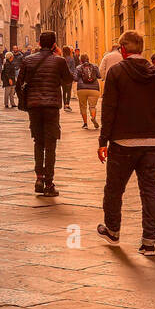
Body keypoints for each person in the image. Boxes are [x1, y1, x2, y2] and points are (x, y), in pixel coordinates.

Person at [97, 29, 155, 255]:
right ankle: (149, 241)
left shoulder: (116, 72)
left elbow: (108, 108)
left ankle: (113, 230)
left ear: (123, 50)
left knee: (114, 188)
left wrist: (103, 141)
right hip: (150, 142)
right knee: (150, 190)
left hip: (122, 142)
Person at [15, 31, 73, 197]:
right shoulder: (59, 61)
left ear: (39, 43)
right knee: (51, 144)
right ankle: (49, 183)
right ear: (54, 44)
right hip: (51, 106)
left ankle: (39, 179)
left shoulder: (27, 60)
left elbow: (19, 85)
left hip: (34, 107)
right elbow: (68, 80)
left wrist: (25, 103)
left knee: (38, 142)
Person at [75, 52, 101, 128]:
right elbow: (99, 76)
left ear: (81, 61)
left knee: (83, 107)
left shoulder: (78, 67)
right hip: (94, 89)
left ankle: (85, 124)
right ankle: (93, 118)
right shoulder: (95, 66)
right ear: (88, 59)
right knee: (92, 106)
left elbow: (76, 78)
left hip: (82, 89)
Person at [61, 45, 76, 112]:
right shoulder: (71, 59)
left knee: (64, 91)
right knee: (69, 91)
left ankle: (64, 105)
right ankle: (67, 104)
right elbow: (73, 69)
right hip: (69, 77)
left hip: (62, 77)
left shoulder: (61, 59)